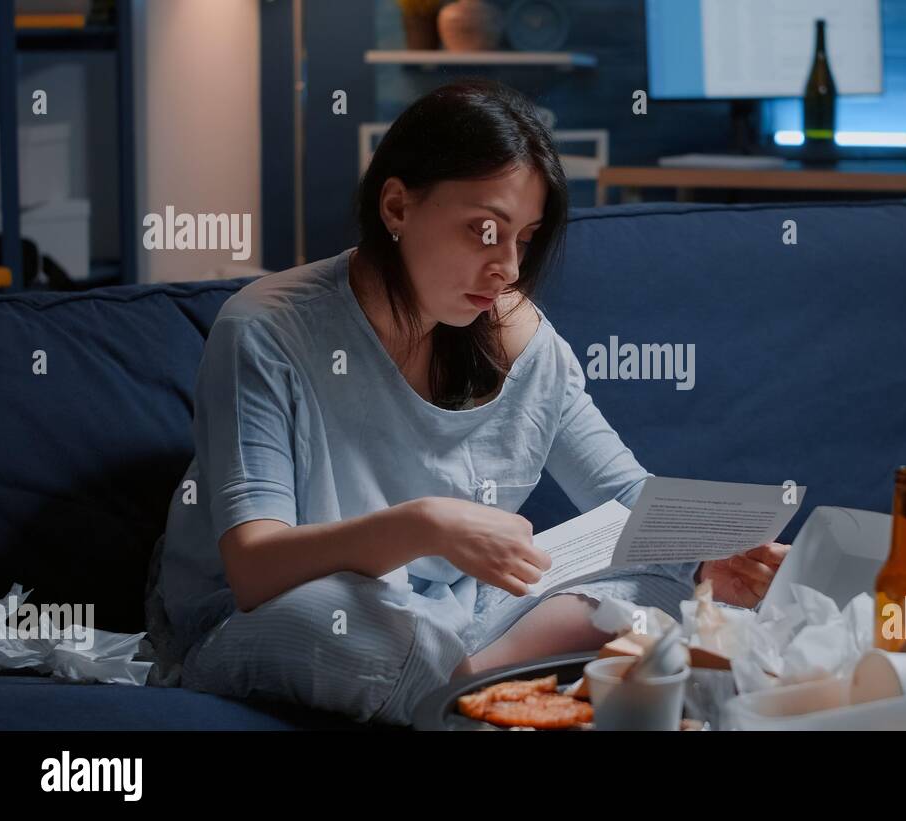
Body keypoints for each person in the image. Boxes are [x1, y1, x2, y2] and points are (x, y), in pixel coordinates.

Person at [146, 78, 789, 728]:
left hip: (462, 616)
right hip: (274, 615)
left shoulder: (519, 337)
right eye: (486, 231)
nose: (508, 267)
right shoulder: (265, 328)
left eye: (525, 237)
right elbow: (254, 568)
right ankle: (469, 687)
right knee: (347, 621)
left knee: (673, 578)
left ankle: (473, 685)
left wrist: (712, 552)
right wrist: (423, 524)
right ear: (397, 206)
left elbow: (625, 493)